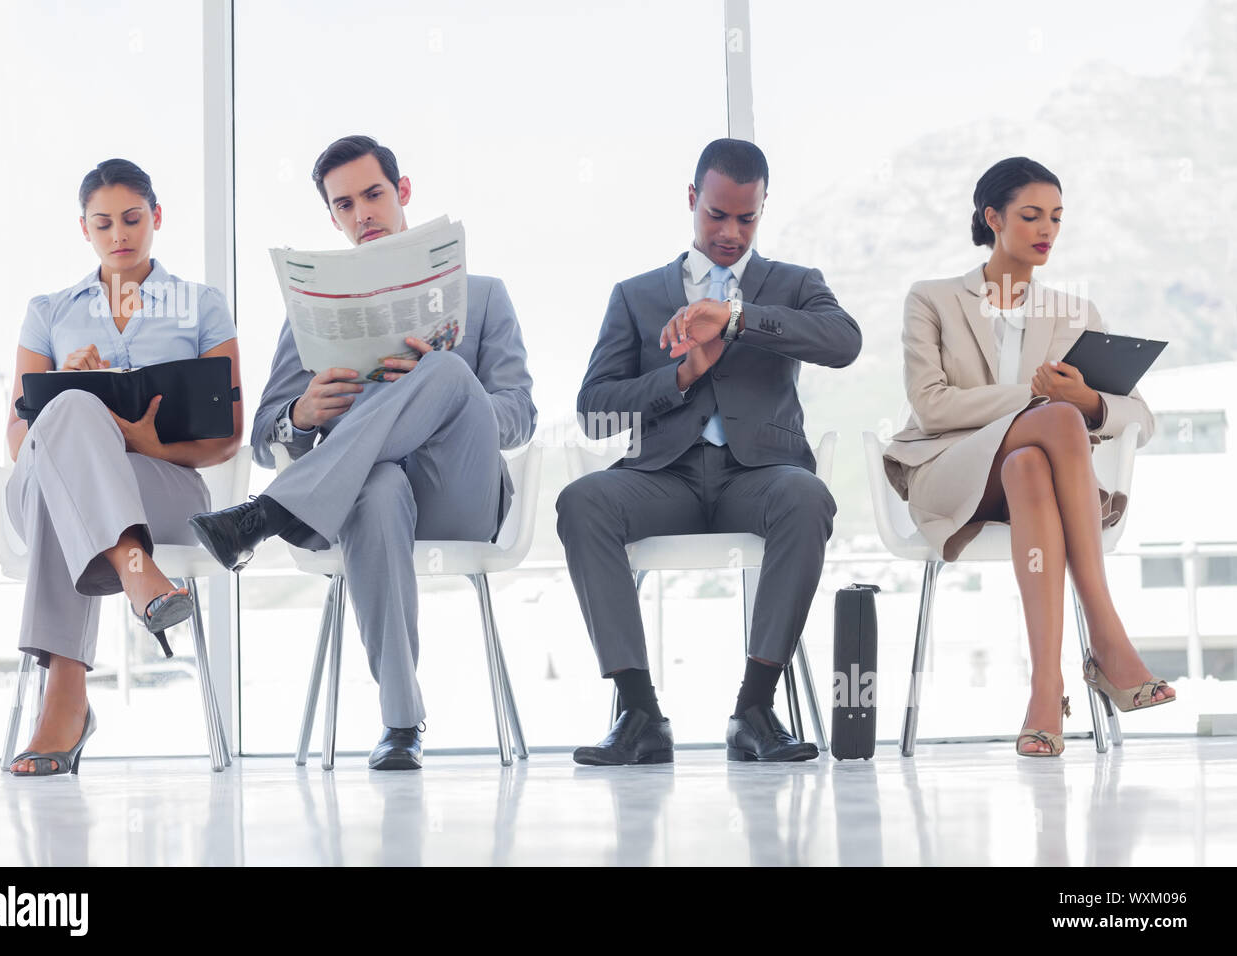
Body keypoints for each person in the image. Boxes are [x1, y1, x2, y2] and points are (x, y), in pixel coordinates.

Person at [189, 135, 536, 771]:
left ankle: (267, 516)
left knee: (446, 373)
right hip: (364, 503)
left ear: (402, 193)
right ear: (332, 217)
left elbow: (520, 418)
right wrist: (302, 414)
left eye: (373, 195)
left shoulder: (483, 296)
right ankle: (401, 723)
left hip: (460, 491)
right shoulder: (313, 315)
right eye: (344, 205)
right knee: (374, 487)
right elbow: (266, 434)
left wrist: (446, 385)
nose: (362, 215)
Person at [557, 138, 861, 766]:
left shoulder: (794, 285)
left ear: (763, 207)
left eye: (746, 217)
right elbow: (594, 410)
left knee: (808, 497)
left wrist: (737, 318)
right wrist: (681, 377)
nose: (730, 231)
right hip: (661, 481)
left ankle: (755, 708)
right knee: (582, 500)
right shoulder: (635, 296)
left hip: (761, 481)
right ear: (692, 200)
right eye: (716, 214)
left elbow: (843, 342)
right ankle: (638, 712)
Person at [882, 156, 1173, 758]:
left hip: (1040, 484)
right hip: (950, 471)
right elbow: (933, 408)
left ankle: (1047, 693)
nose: (1047, 231)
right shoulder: (933, 299)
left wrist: (1089, 399)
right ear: (992, 218)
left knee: (1030, 462)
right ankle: (1108, 639)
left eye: (1058, 218)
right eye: (1031, 215)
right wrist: (1042, 398)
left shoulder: (1074, 313)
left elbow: (1140, 418)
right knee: (1056, 419)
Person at [5, 158, 243, 775]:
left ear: (156, 217)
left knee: (71, 491)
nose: (120, 235)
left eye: (133, 219)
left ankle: (66, 703)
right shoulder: (49, 311)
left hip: (164, 487)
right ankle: (138, 575)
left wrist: (146, 443)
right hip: (45, 484)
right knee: (72, 413)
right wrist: (68, 401)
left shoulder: (202, 306)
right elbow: (15, 440)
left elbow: (227, 438)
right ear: (83, 229)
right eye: (103, 223)